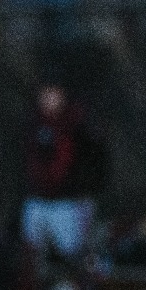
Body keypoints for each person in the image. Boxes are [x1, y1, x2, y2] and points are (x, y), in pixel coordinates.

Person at [22, 82, 100, 265]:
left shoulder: (76, 125)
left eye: (53, 94)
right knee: (32, 255)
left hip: (67, 202)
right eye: (45, 94)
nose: (49, 100)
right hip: (38, 198)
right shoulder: (34, 124)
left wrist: (84, 192)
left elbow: (89, 162)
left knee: (71, 254)